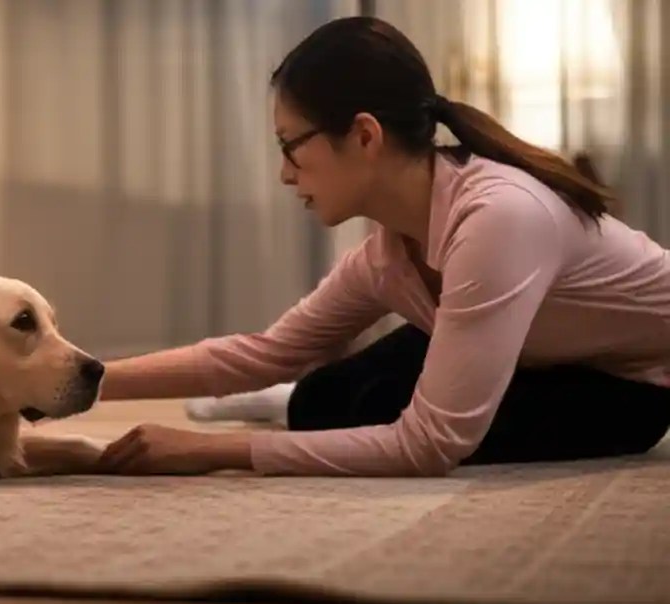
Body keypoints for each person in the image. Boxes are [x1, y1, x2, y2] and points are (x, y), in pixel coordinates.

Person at [95, 16, 670, 477]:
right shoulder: (389, 252)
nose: (284, 174)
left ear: (365, 135)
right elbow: (264, 353)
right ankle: (282, 403)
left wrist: (209, 453)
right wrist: (82, 383)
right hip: (539, 351)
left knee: (391, 421)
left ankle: (278, 408)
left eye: (291, 145)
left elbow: (430, 445)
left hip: (633, 382)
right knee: (323, 402)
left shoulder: (499, 216)